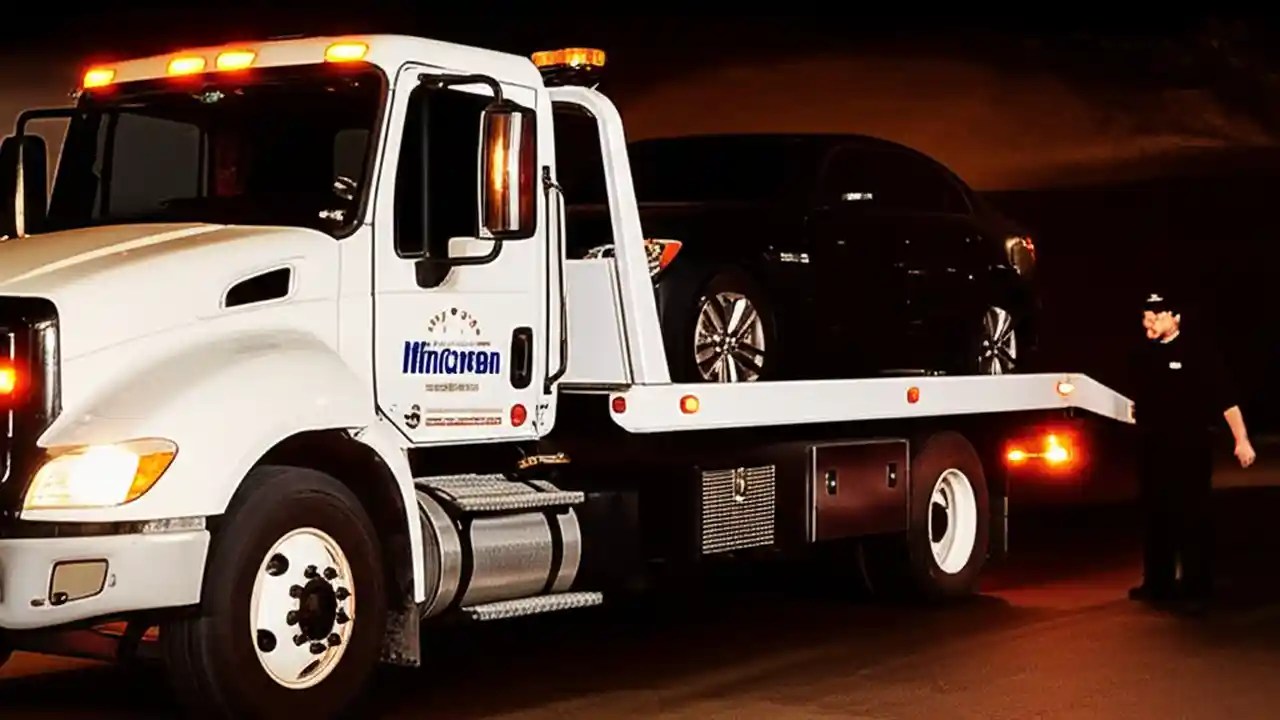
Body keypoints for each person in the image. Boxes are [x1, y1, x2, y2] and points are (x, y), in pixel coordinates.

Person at [1128, 290, 1256, 615]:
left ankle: (1197, 583)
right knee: (1156, 515)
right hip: (1153, 448)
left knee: (1192, 514)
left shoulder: (1198, 352)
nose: (1149, 322)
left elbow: (1226, 400)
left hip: (1189, 447)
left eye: (1156, 316)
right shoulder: (1143, 355)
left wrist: (1241, 440)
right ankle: (1158, 582)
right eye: (1146, 315)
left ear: (1176, 317)